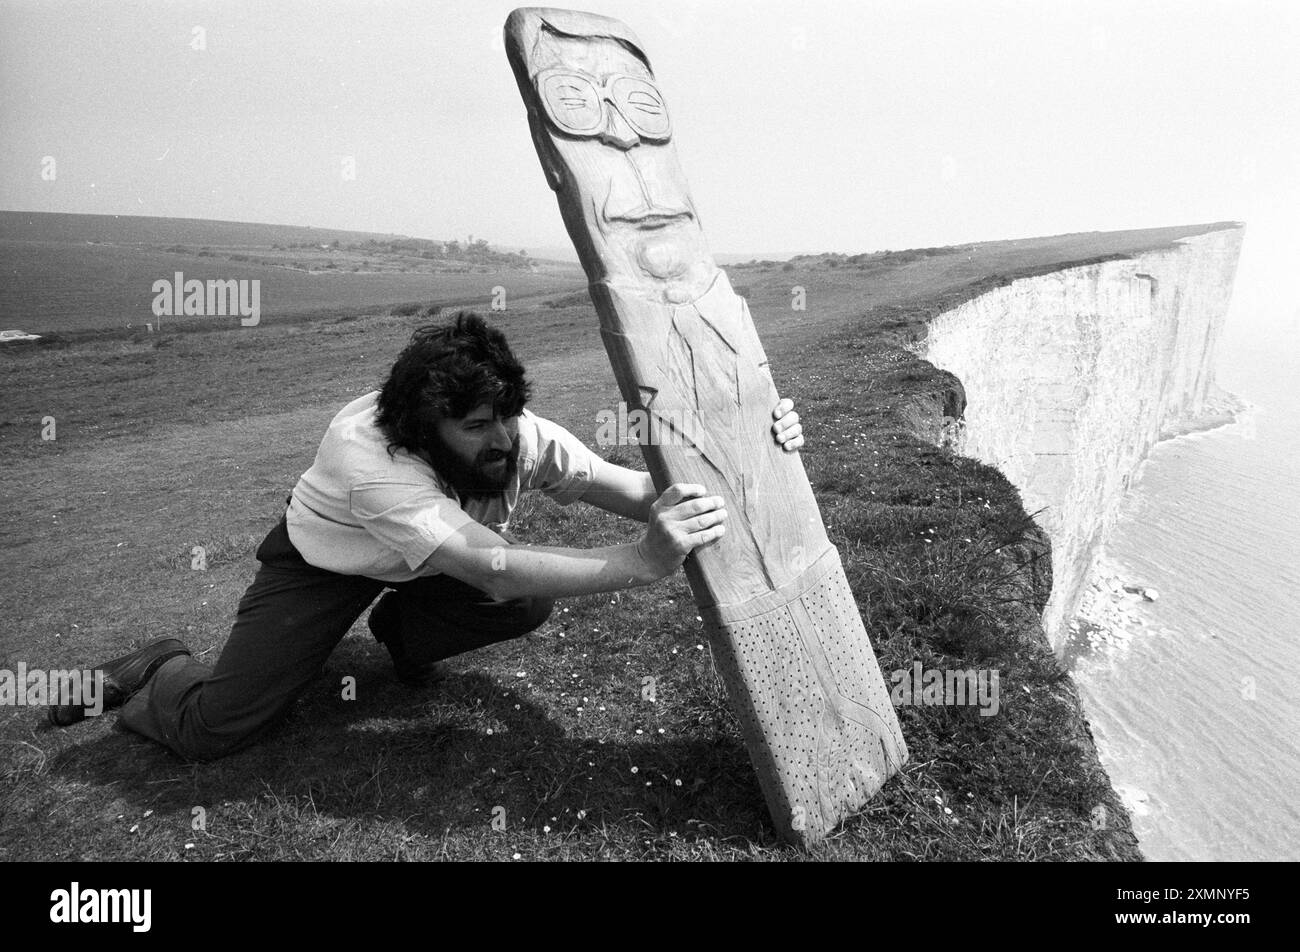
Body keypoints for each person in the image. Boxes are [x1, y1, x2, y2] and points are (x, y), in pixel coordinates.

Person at [48, 311, 805, 760]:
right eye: (476, 428)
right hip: (328, 560)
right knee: (217, 729)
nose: (501, 441)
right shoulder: (370, 460)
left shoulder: (519, 434)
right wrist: (639, 562)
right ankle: (162, 666)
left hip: (434, 563)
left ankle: (401, 638)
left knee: (523, 604)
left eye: (506, 416)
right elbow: (496, 567)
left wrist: (754, 451)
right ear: (424, 429)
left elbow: (643, 492)